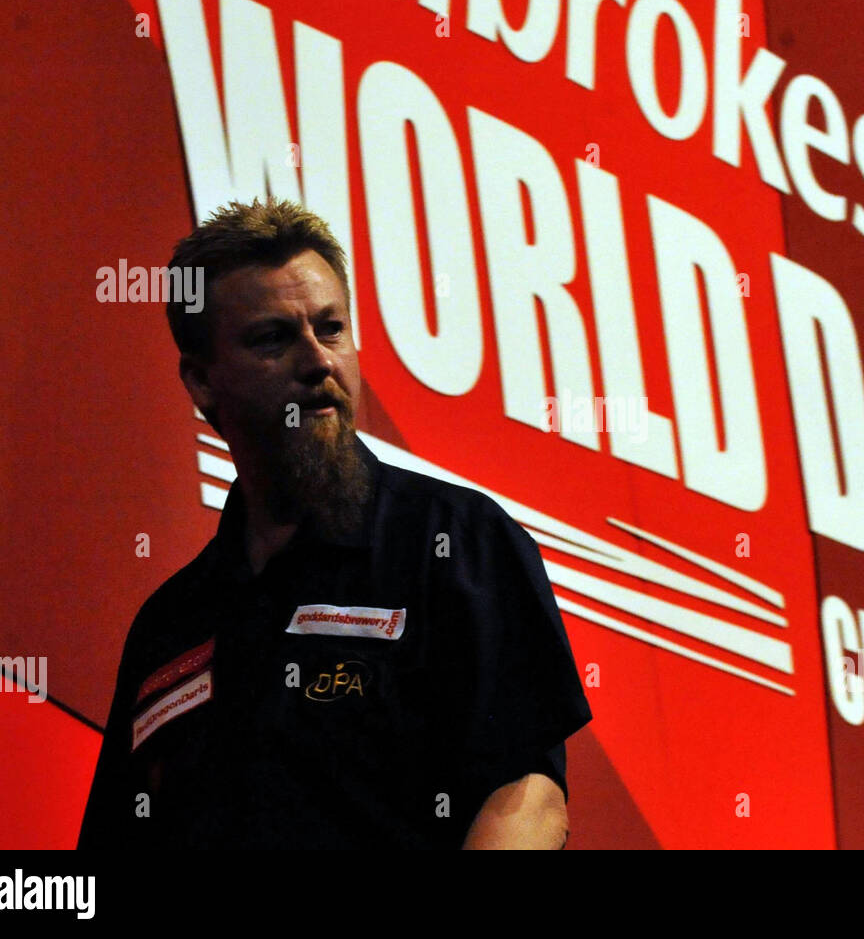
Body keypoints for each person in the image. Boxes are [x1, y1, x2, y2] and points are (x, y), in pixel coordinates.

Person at [77, 197, 592, 849]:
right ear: (202, 381)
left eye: (331, 328)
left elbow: (527, 799)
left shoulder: (458, 541)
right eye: (274, 337)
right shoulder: (167, 627)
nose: (318, 360)